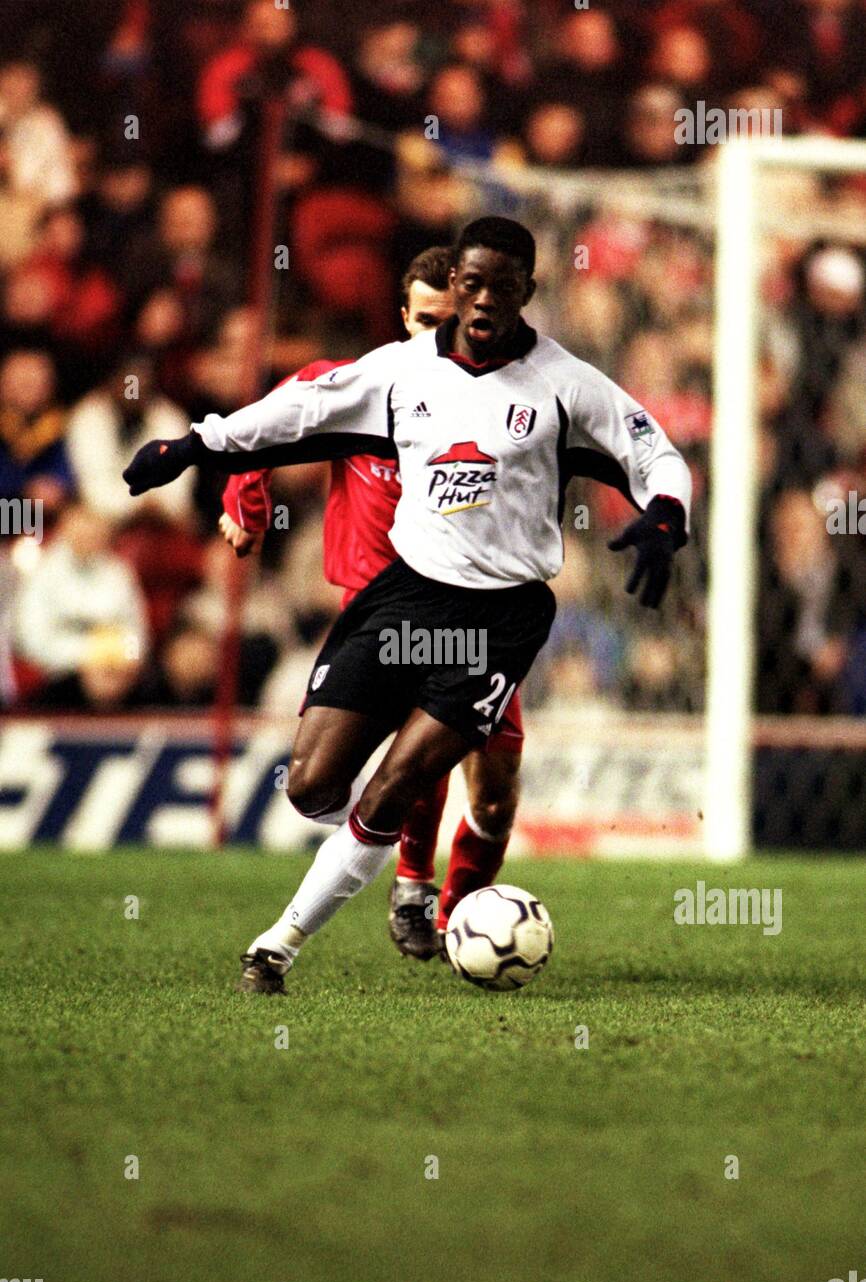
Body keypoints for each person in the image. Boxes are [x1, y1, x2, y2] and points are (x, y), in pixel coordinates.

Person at [124, 216, 691, 995]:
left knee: (400, 784)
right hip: (405, 597)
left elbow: (654, 450)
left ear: (530, 290)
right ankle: (383, 859)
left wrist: (665, 513)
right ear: (454, 285)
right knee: (311, 786)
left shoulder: (567, 384)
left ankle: (280, 944)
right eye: (472, 282)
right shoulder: (400, 370)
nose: (486, 299)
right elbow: (297, 410)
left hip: (499, 620)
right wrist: (195, 444)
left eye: (504, 285)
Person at [218, 246, 528, 962]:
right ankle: (417, 895)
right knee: (390, 765)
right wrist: (249, 502)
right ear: (402, 317)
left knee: (493, 797)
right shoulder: (363, 387)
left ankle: (445, 908)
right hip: (378, 612)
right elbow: (258, 430)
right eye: (425, 321)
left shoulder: (504, 404)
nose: (438, 339)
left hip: (474, 610)